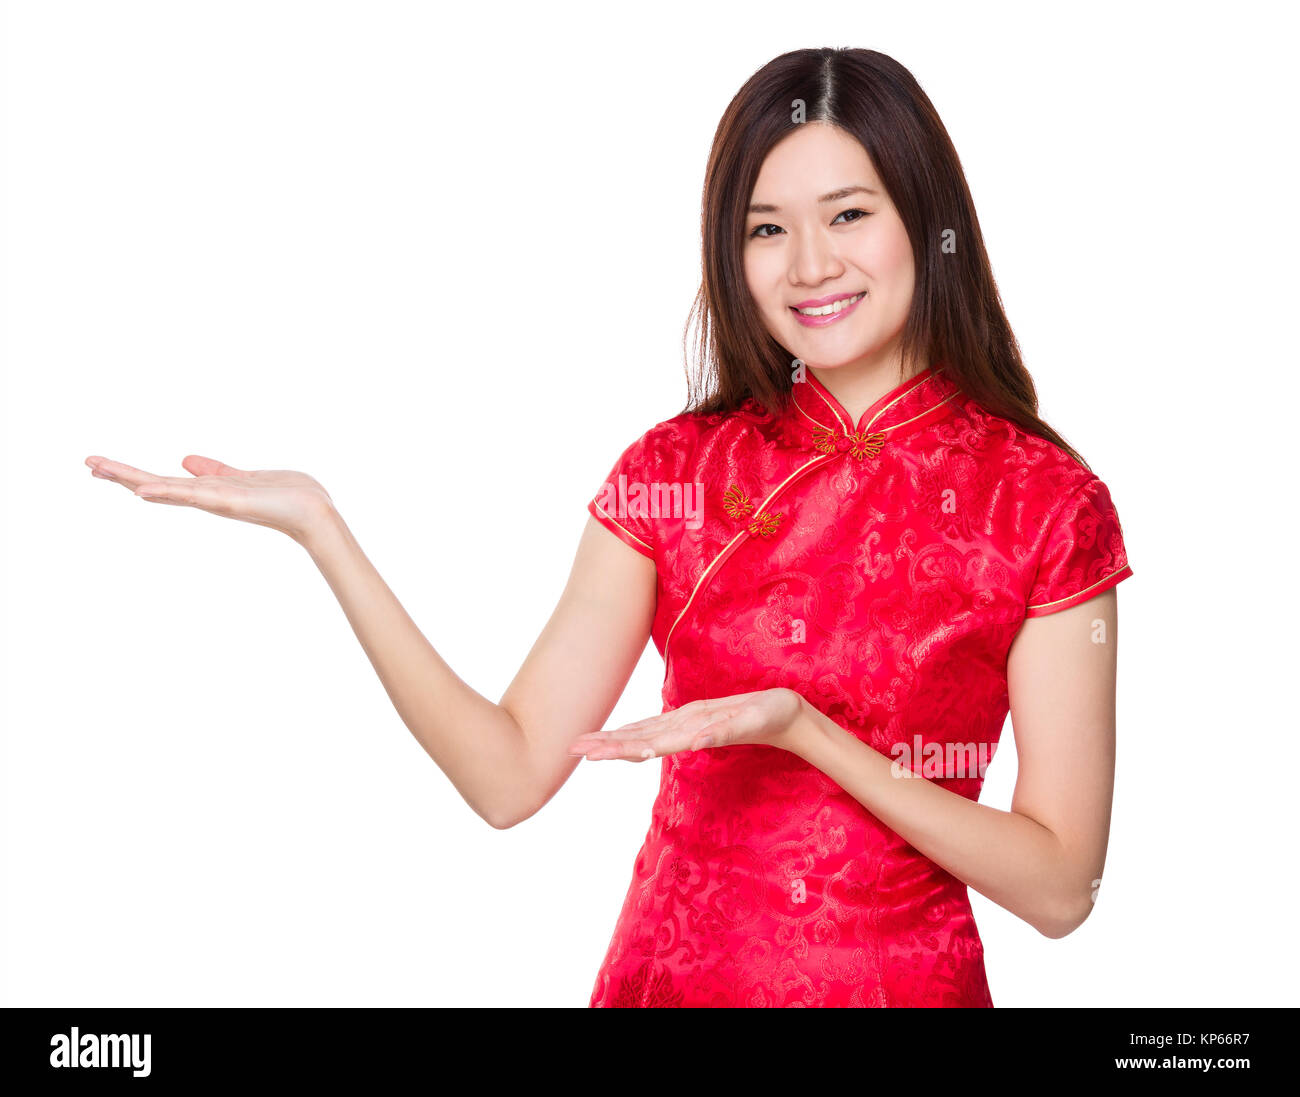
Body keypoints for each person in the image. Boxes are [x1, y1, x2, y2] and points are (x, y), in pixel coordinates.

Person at [84, 47, 1132, 1008]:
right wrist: (323, 529)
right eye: (766, 227)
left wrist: (805, 730)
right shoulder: (674, 473)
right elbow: (506, 777)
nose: (809, 263)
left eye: (848, 214)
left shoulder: (1042, 501)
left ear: (925, 220)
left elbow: (1058, 885)